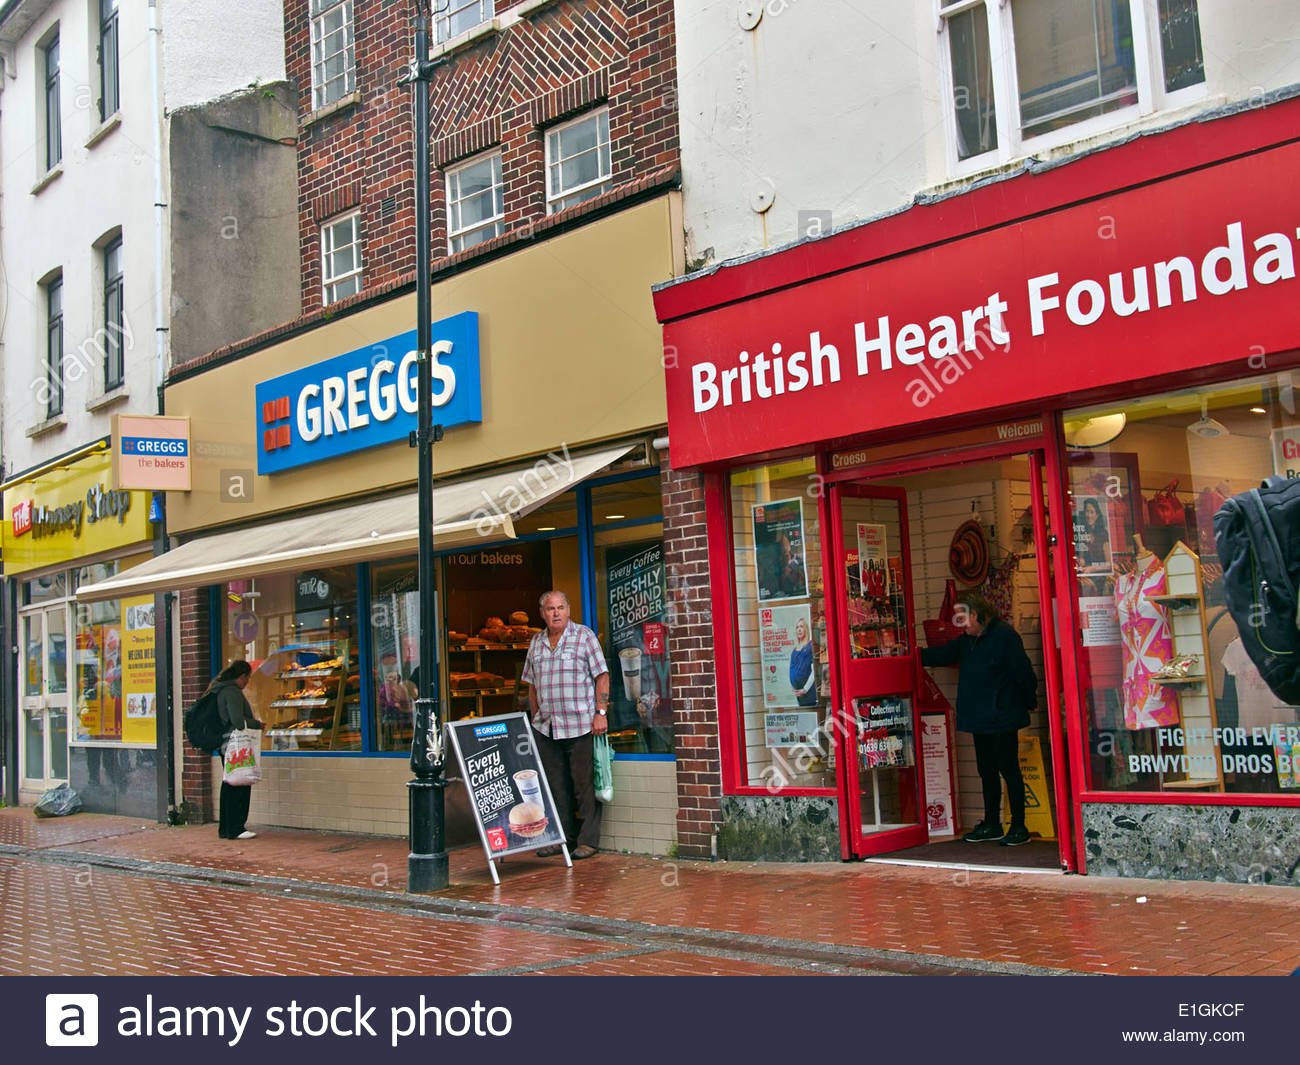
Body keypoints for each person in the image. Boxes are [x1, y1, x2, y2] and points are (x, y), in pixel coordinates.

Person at [920, 591, 1037, 846]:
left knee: (1009, 770)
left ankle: (1019, 825)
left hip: (1003, 715)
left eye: (962, 618)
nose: (958, 624)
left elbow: (1023, 672)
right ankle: (993, 823)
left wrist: (1028, 702)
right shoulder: (967, 640)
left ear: (975, 614)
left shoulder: (1004, 636)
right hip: (980, 717)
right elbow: (943, 654)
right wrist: (912, 655)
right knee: (986, 771)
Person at [521, 590, 610, 860]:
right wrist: (536, 720)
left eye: (560, 607)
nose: (556, 613)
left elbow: (602, 676)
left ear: (568, 610)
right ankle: (562, 839)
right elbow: (532, 687)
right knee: (555, 787)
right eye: (550, 609)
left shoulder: (584, 636)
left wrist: (601, 712)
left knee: (583, 785)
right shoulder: (536, 642)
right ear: (542, 613)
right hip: (547, 728)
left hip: (581, 724)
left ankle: (588, 841)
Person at [210, 660, 262, 841]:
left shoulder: (219, 689)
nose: (248, 682)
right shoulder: (231, 692)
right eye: (248, 678)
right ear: (242, 676)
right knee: (239, 782)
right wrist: (258, 724)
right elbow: (238, 721)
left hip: (226, 744)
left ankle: (226, 827)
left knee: (229, 783)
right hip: (235, 744)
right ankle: (235, 827)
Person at [788, 617, 819, 707]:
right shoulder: (794, 651)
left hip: (809, 693)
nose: (799, 629)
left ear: (806, 629)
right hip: (799, 695)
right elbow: (792, 669)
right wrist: (794, 687)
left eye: (801, 626)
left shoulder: (810, 646)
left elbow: (814, 671)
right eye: (797, 627)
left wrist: (805, 689)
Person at [1076, 497, 1111, 573]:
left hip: (1101, 575)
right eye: (1087, 511)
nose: (1089, 515)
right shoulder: (1083, 533)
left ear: (1097, 515)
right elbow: (1082, 559)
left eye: (1092, 512)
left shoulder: (1103, 534)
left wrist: (1092, 569)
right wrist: (1080, 561)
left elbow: (1109, 564)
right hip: (1086, 574)